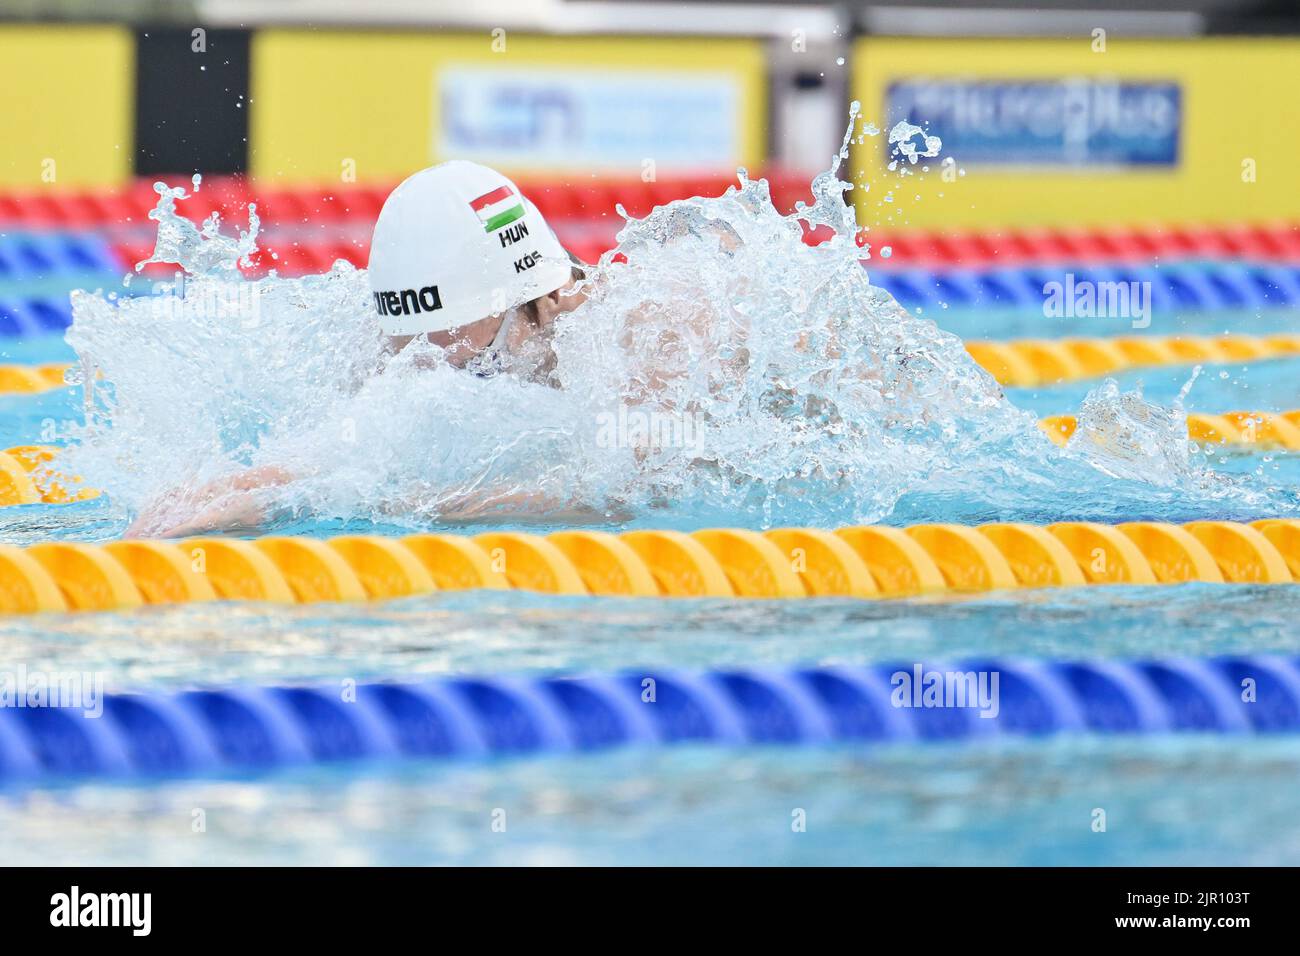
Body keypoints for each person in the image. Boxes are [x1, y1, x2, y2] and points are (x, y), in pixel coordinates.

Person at [125, 161, 592, 537]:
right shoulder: (409, 341)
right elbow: (343, 455)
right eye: (422, 362)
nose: (448, 380)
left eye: (478, 368)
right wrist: (229, 490)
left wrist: (390, 505)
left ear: (545, 299)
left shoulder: (642, 340)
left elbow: (618, 494)